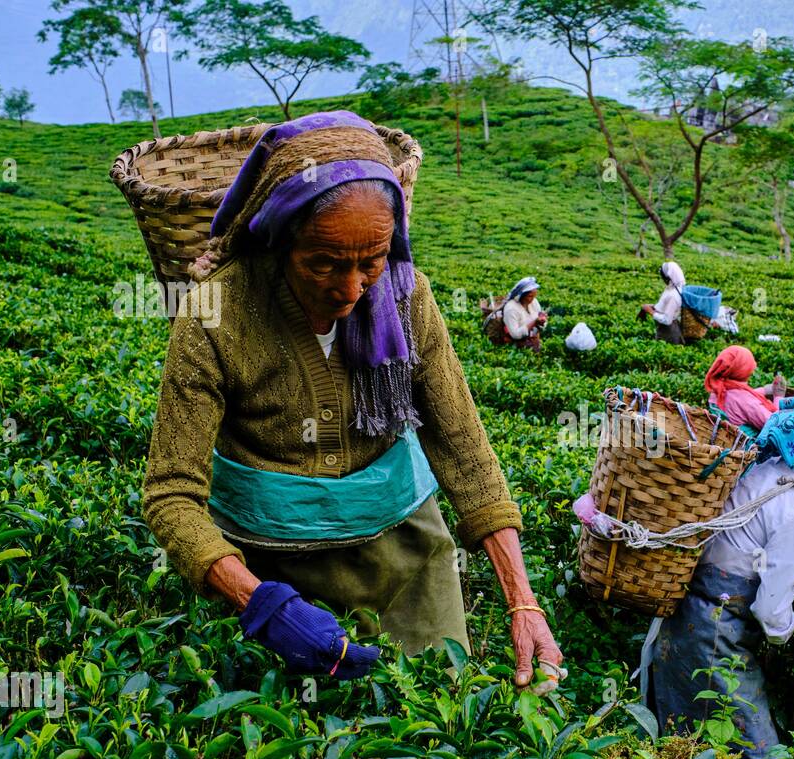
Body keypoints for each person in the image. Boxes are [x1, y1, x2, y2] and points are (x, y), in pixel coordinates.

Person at [144, 110, 564, 691]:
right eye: (324, 263)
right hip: (267, 560)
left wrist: (523, 603)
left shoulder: (407, 294)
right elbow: (171, 494)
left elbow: (463, 447)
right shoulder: (216, 313)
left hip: (402, 550)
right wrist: (262, 603)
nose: (350, 289)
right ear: (277, 237)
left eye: (371, 262)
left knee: (432, 712)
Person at [649, 398, 794, 759]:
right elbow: (771, 611)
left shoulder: (761, 470)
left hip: (682, 621)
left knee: (680, 745)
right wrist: (791, 637)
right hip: (717, 640)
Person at [705, 345, 786, 436]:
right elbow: (776, 425)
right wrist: (779, 396)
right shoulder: (748, 404)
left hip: (722, 437)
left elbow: (735, 398)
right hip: (749, 447)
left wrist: (764, 390)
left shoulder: (718, 388)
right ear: (742, 370)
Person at [640, 261, 686, 344]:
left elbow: (667, 320)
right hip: (664, 329)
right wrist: (654, 306)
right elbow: (667, 306)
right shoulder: (672, 287)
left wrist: (651, 311)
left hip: (669, 332)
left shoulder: (673, 295)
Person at [500, 276, 546, 352]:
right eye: (530, 296)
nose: (532, 299)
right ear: (520, 295)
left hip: (533, 340)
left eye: (534, 295)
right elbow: (515, 335)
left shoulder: (534, 302)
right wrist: (534, 322)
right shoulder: (511, 308)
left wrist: (542, 321)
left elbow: (541, 323)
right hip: (516, 347)